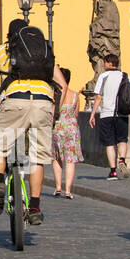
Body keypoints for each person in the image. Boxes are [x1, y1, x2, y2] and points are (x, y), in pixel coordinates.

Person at [0, 19, 68, 227]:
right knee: (37, 158)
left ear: (9, 36)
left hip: (14, 101)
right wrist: (54, 112)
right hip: (43, 102)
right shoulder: (44, 52)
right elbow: (63, 85)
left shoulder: (3, 51)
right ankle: (34, 207)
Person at [88, 52, 130, 179]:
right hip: (122, 113)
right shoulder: (125, 76)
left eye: (105, 62)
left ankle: (113, 171)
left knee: (110, 143)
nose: (103, 64)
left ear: (109, 63)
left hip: (107, 114)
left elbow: (98, 97)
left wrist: (92, 114)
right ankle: (122, 160)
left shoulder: (104, 76)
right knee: (122, 139)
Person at [51, 67, 83, 198]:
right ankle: (68, 191)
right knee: (70, 160)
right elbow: (76, 114)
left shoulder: (54, 95)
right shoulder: (75, 95)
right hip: (72, 129)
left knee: (56, 158)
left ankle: (58, 187)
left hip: (58, 128)